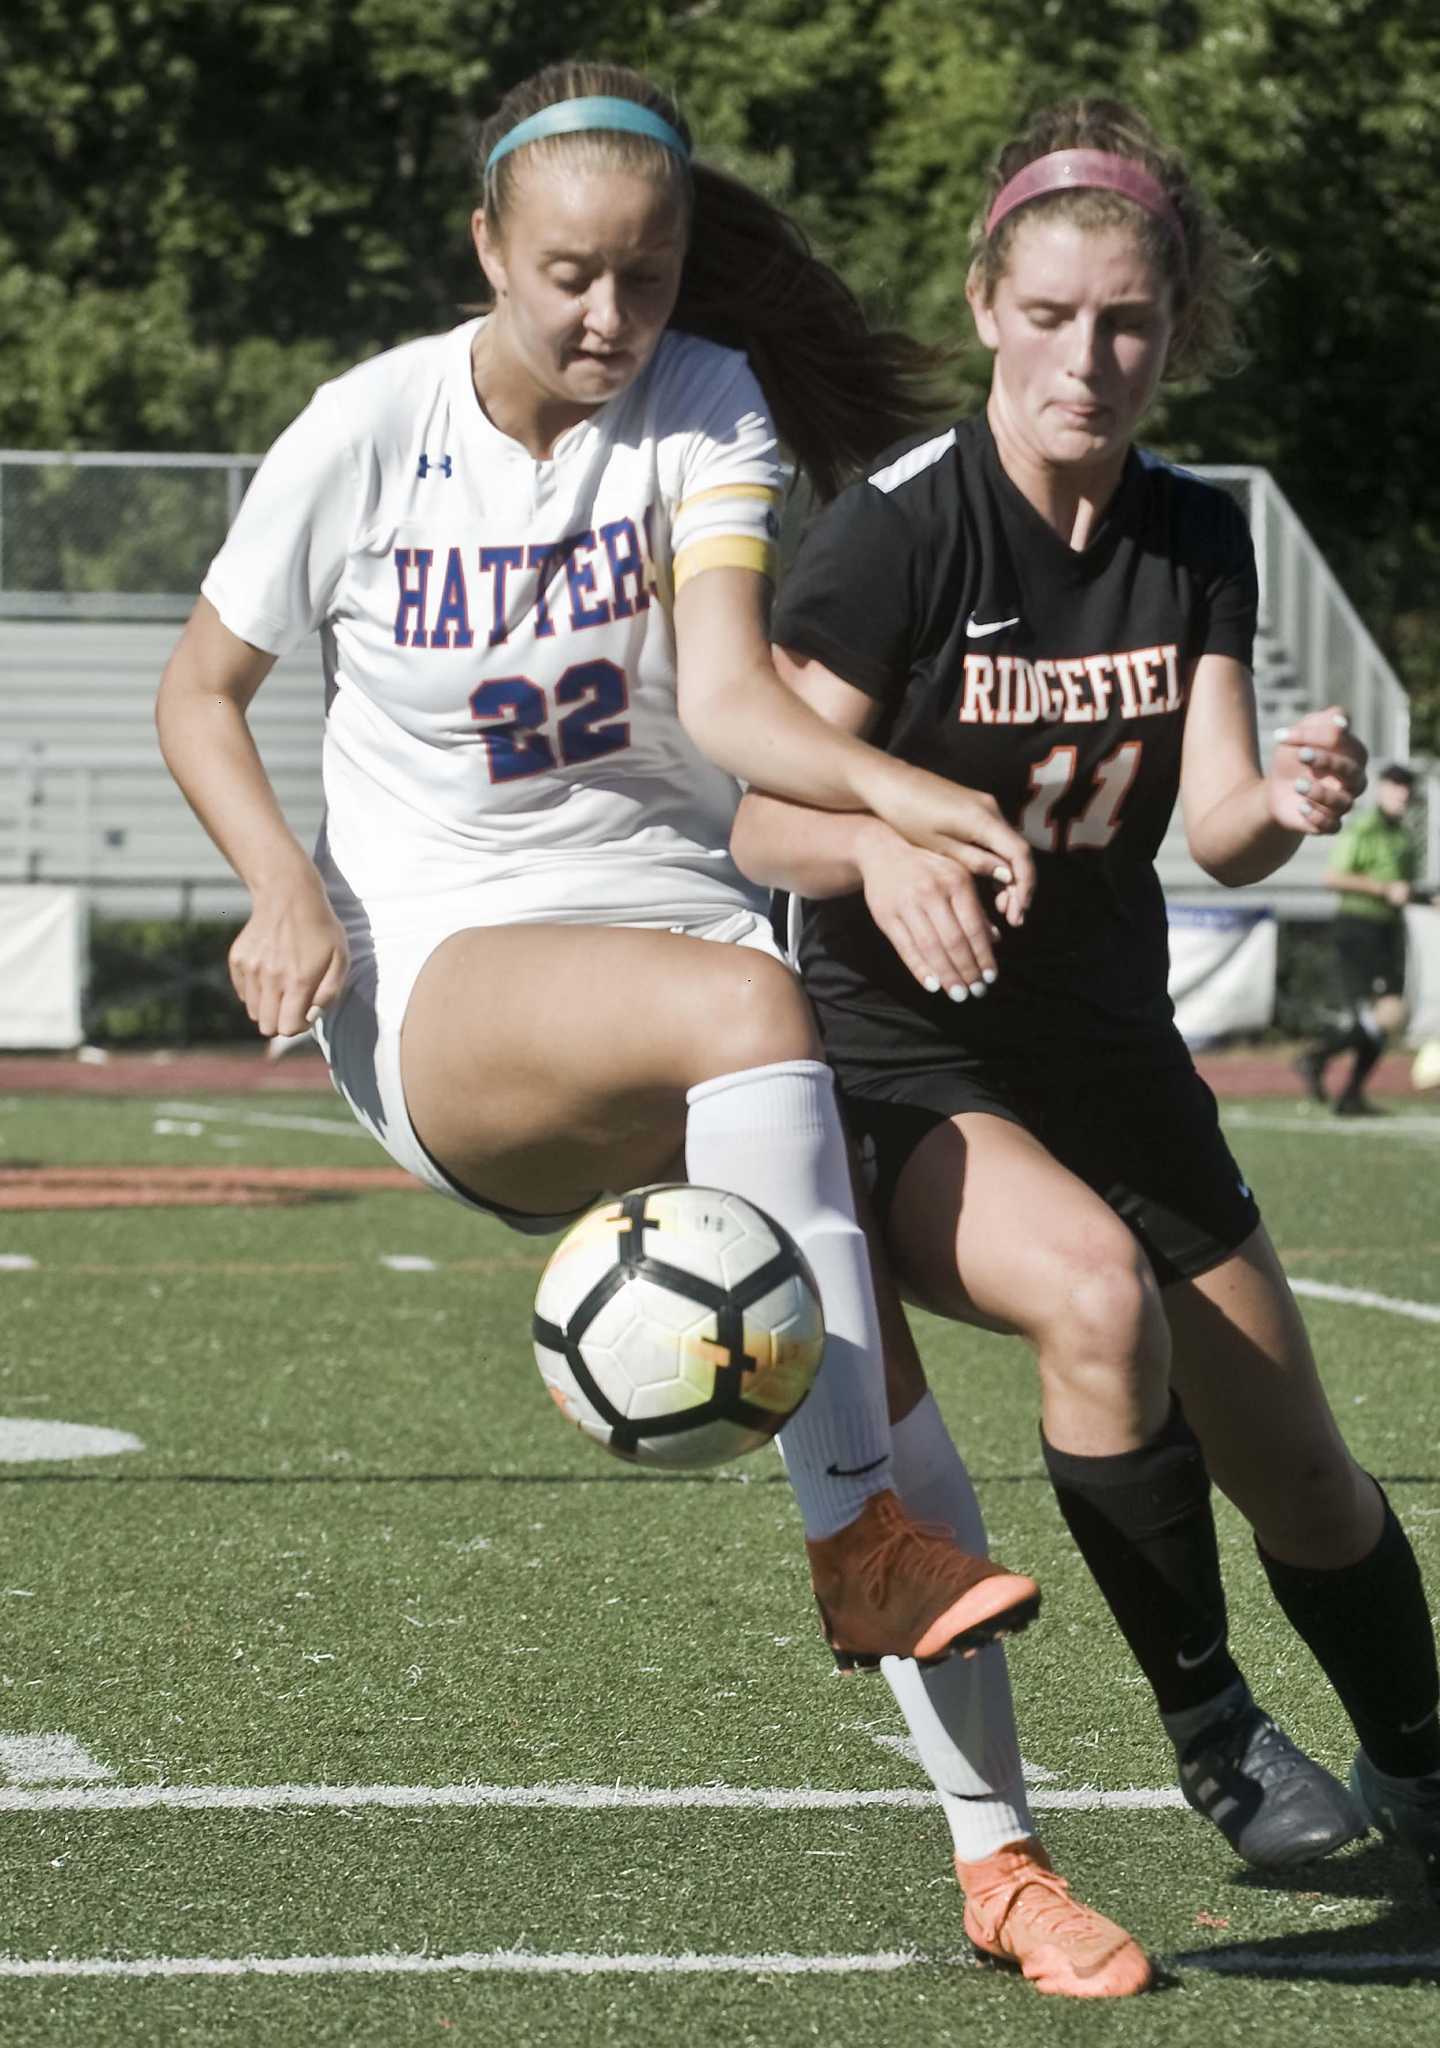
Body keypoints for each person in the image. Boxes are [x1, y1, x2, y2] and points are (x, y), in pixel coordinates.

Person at [155, 62, 1151, 1997]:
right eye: (569, 280)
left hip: (709, 1005)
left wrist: (897, 796)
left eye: (649, 275)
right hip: (461, 987)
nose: (612, 319)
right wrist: (281, 881)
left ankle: (1006, 1858)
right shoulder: (365, 429)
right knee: (754, 1019)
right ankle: (856, 1535)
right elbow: (206, 691)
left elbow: (728, 700)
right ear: (485, 254)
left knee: (943, 1329)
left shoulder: (707, 404)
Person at [732, 97, 1440, 1905]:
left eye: (1126, 320)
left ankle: (1427, 1773)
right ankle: (1217, 1737)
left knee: (1305, 1467)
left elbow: (1209, 817)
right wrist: (881, 845)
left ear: (1172, 323)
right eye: (1051, 315)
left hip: (1117, 1055)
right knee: (1097, 1300)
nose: (1088, 356)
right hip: (909, 1061)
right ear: (987, 305)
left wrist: (1283, 801)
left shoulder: (1198, 530)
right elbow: (760, 807)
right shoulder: (895, 534)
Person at [1295, 761, 1433, 1114]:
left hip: (1388, 930)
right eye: (1395, 786)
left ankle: (1347, 1090)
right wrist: (1383, 888)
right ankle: (1318, 1058)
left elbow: (1402, 890)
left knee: (1388, 1017)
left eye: (1406, 787)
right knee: (1381, 1016)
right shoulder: (1365, 829)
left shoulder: (1404, 835)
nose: (1402, 794)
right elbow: (1333, 877)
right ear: (1383, 789)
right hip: (1358, 928)